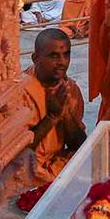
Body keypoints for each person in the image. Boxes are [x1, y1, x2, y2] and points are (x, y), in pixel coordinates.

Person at [21, 29, 86, 186]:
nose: (62, 62)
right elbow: (18, 151)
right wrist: (51, 118)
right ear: (35, 58)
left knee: (91, 159)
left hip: (57, 164)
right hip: (27, 167)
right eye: (54, 56)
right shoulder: (21, 92)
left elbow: (78, 145)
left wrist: (65, 115)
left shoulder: (70, 89)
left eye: (66, 55)